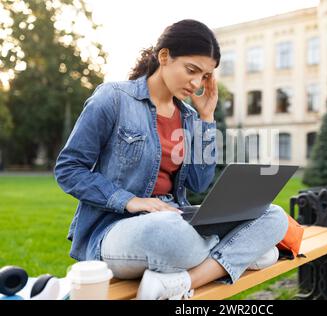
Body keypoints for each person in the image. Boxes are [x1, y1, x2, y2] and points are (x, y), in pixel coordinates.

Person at [54, 19, 288, 300]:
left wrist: (206, 118)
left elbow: (199, 184)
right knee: (173, 235)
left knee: (274, 216)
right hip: (118, 228)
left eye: (205, 76)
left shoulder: (189, 116)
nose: (197, 83)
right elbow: (69, 169)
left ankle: (183, 280)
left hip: (175, 218)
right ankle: (242, 251)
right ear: (164, 56)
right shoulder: (113, 99)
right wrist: (132, 201)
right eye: (192, 70)